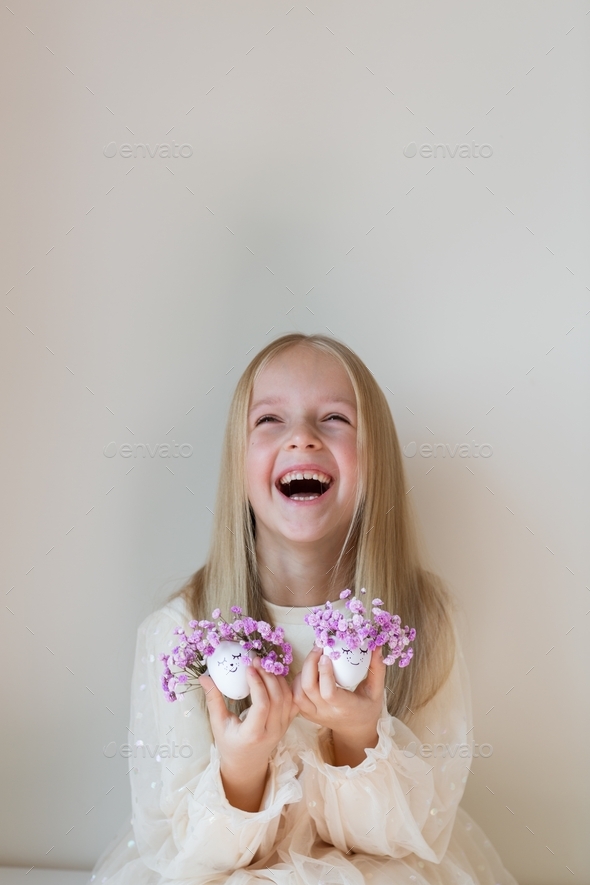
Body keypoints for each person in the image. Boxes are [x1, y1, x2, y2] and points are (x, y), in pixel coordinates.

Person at [88, 333, 518, 884]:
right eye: (270, 421)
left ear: (375, 458)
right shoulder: (179, 634)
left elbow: (411, 837)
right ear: (238, 464)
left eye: (335, 418)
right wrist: (242, 768)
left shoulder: (422, 622)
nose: (303, 439)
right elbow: (184, 856)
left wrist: (358, 738)